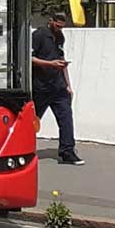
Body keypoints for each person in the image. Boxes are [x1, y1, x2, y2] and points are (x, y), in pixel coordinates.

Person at [32, 12, 83, 165]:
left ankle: (67, 152)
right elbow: (30, 59)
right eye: (57, 25)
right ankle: (22, 149)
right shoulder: (39, 35)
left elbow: (61, 60)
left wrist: (68, 85)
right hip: (40, 86)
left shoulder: (60, 37)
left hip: (58, 86)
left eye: (62, 27)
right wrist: (50, 64)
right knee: (31, 121)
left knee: (66, 118)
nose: (59, 29)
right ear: (51, 21)